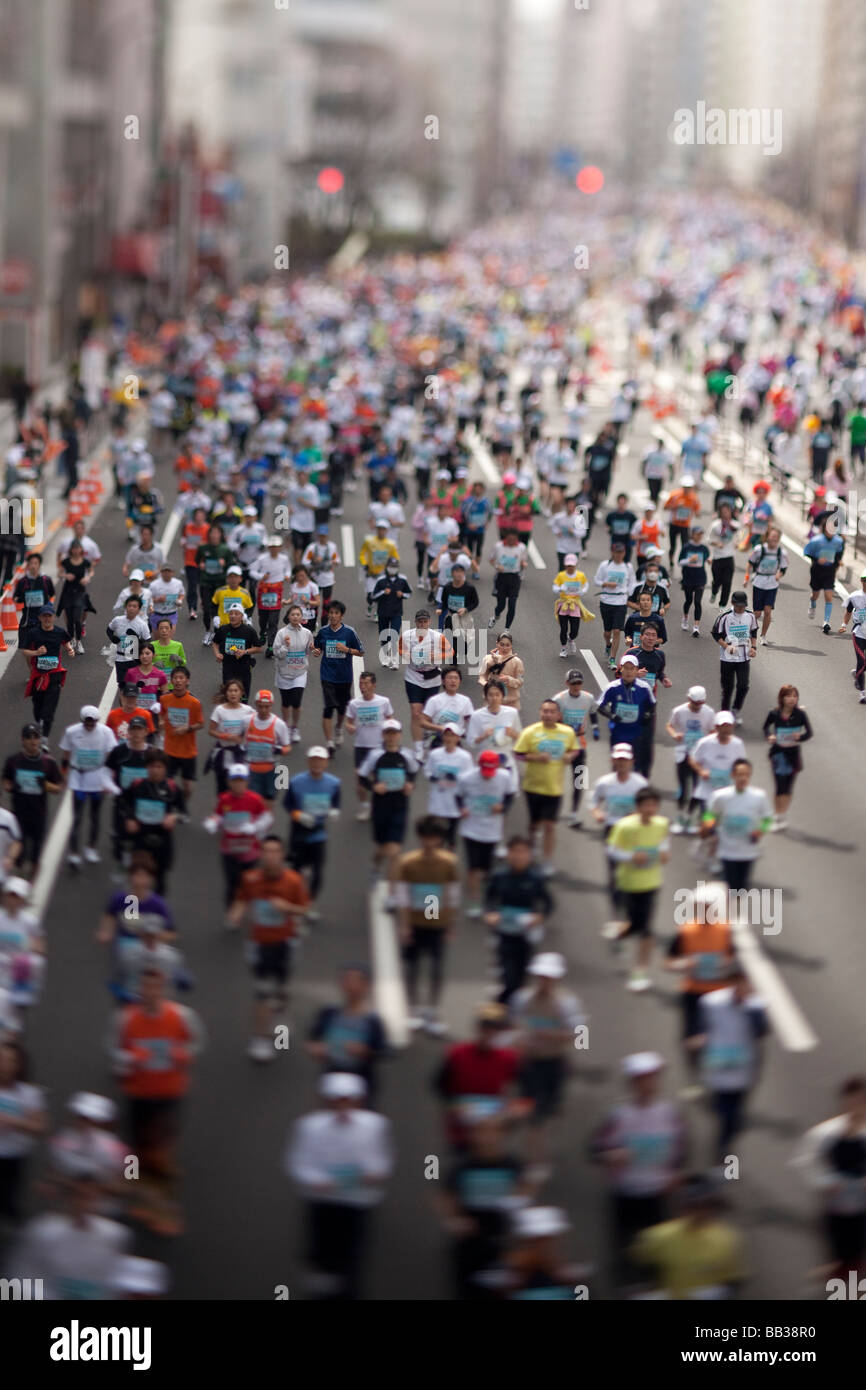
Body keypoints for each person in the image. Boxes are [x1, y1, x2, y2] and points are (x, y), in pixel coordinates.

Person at [107, 962, 205, 1236]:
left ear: (163, 989)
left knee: (161, 1152)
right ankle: (143, 1198)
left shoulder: (182, 1016)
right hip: (138, 1092)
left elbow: (197, 1041)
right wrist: (129, 1059)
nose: (150, 991)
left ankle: (167, 1211)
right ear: (139, 988)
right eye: (145, 986)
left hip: (168, 1093)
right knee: (137, 1149)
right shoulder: (126, 1018)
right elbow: (113, 1050)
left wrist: (185, 1054)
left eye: (155, 986)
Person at [285, 1072, 393, 1300]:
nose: (343, 1105)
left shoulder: (375, 1126)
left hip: (358, 1200)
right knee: (322, 1251)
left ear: (358, 1100)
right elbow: (298, 1163)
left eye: (348, 1099)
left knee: (353, 1253)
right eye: (337, 1100)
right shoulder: (309, 1127)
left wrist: (374, 1173)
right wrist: (317, 1181)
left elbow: (382, 1160)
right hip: (323, 1201)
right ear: (327, 1100)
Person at [590, 1052, 686, 1289]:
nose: (649, 1085)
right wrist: (610, 1156)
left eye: (653, 1079)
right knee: (625, 1252)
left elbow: (681, 1149)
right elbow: (593, 1149)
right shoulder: (619, 1117)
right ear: (632, 1084)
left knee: (659, 1254)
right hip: (626, 1195)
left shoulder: (670, 1114)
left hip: (658, 1195)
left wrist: (675, 1175)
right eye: (642, 1080)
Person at [227, 835, 310, 1061]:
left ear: (282, 856)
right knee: (262, 991)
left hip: (286, 943)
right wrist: (236, 913)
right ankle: (261, 1039)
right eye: (266, 851)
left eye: (275, 851)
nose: (270, 856)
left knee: (281, 990)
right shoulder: (250, 878)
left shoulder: (293, 881)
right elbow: (242, 899)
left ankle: (280, 1024)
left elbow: (305, 910)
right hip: (259, 944)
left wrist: (287, 907)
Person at [437, 1111, 533, 1300]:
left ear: (502, 1135)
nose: (488, 1137)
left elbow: (526, 1188)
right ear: (473, 1136)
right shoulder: (463, 1166)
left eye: (493, 1132)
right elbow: (446, 1194)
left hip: (502, 1240)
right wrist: (454, 1219)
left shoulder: (512, 1164)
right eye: (481, 1132)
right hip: (470, 1244)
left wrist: (519, 1206)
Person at [6, 1173, 131, 1298]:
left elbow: (116, 1279)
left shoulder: (116, 1234)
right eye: (79, 1196)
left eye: (91, 1197)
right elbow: (22, 1275)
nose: (83, 1203)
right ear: (67, 1197)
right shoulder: (39, 1230)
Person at [690, 965, 768, 1165]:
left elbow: (762, 1032)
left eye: (745, 983)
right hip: (718, 1069)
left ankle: (725, 1145)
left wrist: (749, 1008)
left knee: (735, 1119)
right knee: (726, 1114)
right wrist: (699, 1039)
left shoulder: (755, 1006)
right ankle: (722, 1154)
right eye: (737, 983)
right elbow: (700, 1027)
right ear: (731, 983)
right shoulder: (711, 1002)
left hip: (743, 1072)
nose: (742, 987)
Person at [665, 881, 736, 1098]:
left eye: (707, 906)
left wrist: (726, 964)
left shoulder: (724, 931)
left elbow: (734, 959)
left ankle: (718, 1079)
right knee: (692, 1042)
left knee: (717, 1040)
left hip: (719, 994)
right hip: (693, 994)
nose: (703, 910)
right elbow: (667, 961)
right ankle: (696, 1081)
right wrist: (683, 965)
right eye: (699, 906)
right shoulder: (686, 931)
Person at [792, 1077, 866, 1281]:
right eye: (851, 1101)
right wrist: (825, 1182)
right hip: (837, 1205)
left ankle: (849, 1279)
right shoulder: (827, 1133)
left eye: (861, 1102)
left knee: (856, 1251)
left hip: (862, 1205)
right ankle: (841, 1273)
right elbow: (804, 1160)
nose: (856, 1107)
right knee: (838, 1245)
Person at [394, 815, 460, 1034]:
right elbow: (403, 894)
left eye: (434, 838)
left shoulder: (449, 863)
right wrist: (404, 925)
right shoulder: (408, 863)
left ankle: (432, 1011)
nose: (430, 843)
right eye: (426, 837)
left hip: (437, 923)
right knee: (412, 967)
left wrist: (450, 923)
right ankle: (413, 1009)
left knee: (436, 968)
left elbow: (452, 893)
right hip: (414, 922)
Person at [631, 1174, 746, 1299]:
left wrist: (719, 1292)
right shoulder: (657, 1236)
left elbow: (733, 1280)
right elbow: (637, 1270)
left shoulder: (728, 1238)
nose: (700, 1212)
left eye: (706, 1206)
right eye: (694, 1206)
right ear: (683, 1207)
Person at [605, 787, 670, 992]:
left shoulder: (662, 824)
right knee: (635, 925)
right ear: (638, 807)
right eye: (646, 805)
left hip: (651, 882)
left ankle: (640, 971)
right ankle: (619, 934)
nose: (650, 809)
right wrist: (631, 857)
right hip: (628, 882)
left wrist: (664, 854)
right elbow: (612, 850)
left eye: (653, 805)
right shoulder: (624, 826)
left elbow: (663, 843)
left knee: (646, 929)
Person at [433, 1004, 522, 1150]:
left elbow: (522, 1089)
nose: (488, 1033)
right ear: (478, 1028)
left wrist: (512, 1111)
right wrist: (453, 1107)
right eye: (485, 1028)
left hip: (493, 1127)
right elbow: (440, 1085)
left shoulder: (509, 1058)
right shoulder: (456, 1054)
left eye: (494, 1029)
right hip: (461, 1125)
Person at [484, 835, 553, 1004]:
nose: (518, 856)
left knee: (521, 976)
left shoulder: (536, 878)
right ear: (508, 854)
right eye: (514, 852)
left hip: (525, 933)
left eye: (523, 852)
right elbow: (489, 899)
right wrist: (490, 914)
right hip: (503, 931)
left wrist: (539, 917)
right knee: (508, 974)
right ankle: (504, 1004)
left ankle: (510, 1005)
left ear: (530, 855)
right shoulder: (499, 876)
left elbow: (549, 904)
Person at [513, 700, 579, 875]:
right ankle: (532, 849)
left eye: (552, 712)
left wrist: (569, 757)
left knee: (550, 825)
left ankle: (547, 860)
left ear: (558, 715)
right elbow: (518, 754)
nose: (548, 714)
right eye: (545, 711)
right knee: (534, 825)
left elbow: (575, 750)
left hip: (554, 788)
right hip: (532, 786)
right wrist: (535, 758)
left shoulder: (567, 732)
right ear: (540, 713)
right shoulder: (530, 732)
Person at [306, 965, 388, 1100]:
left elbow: (384, 1050)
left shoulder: (372, 1020)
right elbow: (314, 1036)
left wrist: (365, 1051)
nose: (351, 986)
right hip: (332, 1072)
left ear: (366, 986)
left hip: (361, 1077)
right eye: (347, 981)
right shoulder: (328, 1013)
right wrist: (315, 1048)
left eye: (356, 981)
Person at [204, 763, 272, 909]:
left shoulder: (255, 799)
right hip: (229, 849)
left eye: (241, 781)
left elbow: (267, 818)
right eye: (235, 781)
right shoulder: (224, 799)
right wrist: (213, 822)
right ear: (229, 782)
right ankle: (231, 911)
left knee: (249, 881)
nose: (238, 784)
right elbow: (218, 815)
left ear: (247, 782)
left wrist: (254, 827)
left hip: (250, 850)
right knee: (232, 882)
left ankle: (248, 906)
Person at [118, 749, 186, 895]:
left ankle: (155, 912)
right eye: (152, 766)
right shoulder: (137, 786)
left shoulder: (172, 789)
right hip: (139, 839)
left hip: (162, 841)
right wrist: (129, 819)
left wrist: (174, 817)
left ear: (165, 769)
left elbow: (184, 813)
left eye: (159, 767)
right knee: (136, 879)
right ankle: (132, 914)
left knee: (159, 879)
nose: (155, 770)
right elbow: (122, 804)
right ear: (146, 767)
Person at [359, 719, 418, 886]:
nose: (392, 737)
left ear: (400, 735)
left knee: (394, 851)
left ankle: (392, 893)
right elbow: (362, 776)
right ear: (383, 735)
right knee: (381, 849)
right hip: (380, 804)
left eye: (395, 733)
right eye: (388, 733)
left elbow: (413, 772)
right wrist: (374, 787)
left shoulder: (407, 755)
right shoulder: (375, 755)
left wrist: (410, 784)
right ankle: (375, 868)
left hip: (400, 804)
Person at [58, 706, 117, 869]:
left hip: (97, 778)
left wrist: (109, 776)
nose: (90, 725)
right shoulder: (72, 732)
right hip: (79, 778)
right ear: (82, 720)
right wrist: (63, 776)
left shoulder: (106, 733)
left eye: (93, 722)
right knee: (77, 817)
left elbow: (112, 755)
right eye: (87, 722)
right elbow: (66, 756)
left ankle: (91, 847)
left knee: (95, 816)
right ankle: (74, 853)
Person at [284, 746, 341, 915]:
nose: (317, 763)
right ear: (308, 762)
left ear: (326, 763)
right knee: (296, 870)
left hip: (318, 833)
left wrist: (334, 811)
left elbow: (336, 802)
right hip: (299, 831)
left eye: (321, 760)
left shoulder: (334, 783)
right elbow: (288, 804)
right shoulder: (296, 782)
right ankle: (294, 900)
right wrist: (298, 815)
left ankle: (309, 902)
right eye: (314, 760)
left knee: (318, 871)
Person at [702, 758, 772, 893]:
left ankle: (735, 908)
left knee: (741, 888)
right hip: (726, 850)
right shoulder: (720, 796)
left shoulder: (759, 796)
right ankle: (729, 910)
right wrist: (709, 825)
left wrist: (760, 831)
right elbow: (709, 814)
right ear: (732, 775)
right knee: (729, 887)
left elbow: (767, 818)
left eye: (746, 775)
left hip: (748, 851)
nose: (743, 778)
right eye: (740, 774)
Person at [2, 724, 63, 872]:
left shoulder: (48, 763)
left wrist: (46, 785)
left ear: (40, 739)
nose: (33, 741)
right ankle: (16, 878)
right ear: (23, 740)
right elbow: (5, 782)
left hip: (38, 814)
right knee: (19, 851)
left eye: (36, 737)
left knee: (36, 852)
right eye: (29, 737)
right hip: (18, 814)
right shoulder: (13, 761)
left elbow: (59, 787)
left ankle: (33, 882)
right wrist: (12, 786)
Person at [0, 1039, 47, 1224]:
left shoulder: (29, 1094)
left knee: (8, 1198)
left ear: (18, 1065)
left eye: (9, 1060)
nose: (3, 1065)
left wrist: (13, 1121)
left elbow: (39, 1127)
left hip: (13, 1156)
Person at [312, 600, 365, 755]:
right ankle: (329, 742)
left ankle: (338, 728)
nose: (333, 616)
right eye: (331, 613)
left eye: (336, 613)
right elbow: (317, 648)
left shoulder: (349, 632)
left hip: (344, 676)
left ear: (341, 616)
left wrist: (346, 649)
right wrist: (316, 652)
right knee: (329, 707)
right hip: (327, 675)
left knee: (342, 708)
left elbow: (361, 652)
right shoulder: (323, 631)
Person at [666, 686, 716, 834]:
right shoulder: (679, 711)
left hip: (700, 757)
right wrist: (675, 734)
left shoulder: (709, 713)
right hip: (683, 753)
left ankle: (690, 817)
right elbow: (669, 725)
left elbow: (713, 731)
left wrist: (707, 740)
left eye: (700, 704)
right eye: (695, 704)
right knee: (683, 789)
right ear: (689, 700)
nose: (697, 707)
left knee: (698, 790)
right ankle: (681, 815)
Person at [762, 684, 813, 829]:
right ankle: (776, 814)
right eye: (788, 696)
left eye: (794, 696)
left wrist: (800, 737)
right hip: (778, 754)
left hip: (793, 755)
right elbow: (765, 727)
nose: (792, 699)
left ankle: (782, 815)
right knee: (779, 786)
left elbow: (809, 733)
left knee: (788, 787)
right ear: (782, 698)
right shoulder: (774, 714)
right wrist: (769, 736)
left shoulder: (800, 715)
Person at [596, 654, 656, 774]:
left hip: (636, 733)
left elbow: (652, 704)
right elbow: (600, 706)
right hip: (618, 732)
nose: (628, 672)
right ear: (621, 669)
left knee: (635, 764)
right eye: (626, 668)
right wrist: (611, 716)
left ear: (636, 670)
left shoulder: (644, 687)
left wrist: (647, 715)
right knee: (618, 763)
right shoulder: (612, 687)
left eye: (632, 668)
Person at [158, 666, 204, 800]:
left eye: (181, 678)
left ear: (187, 681)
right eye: (175, 678)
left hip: (188, 751)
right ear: (171, 681)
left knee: (187, 785)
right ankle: (168, 806)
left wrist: (187, 728)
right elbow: (161, 715)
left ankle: (182, 805)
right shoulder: (165, 699)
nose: (178, 681)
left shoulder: (194, 703)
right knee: (166, 782)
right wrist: (161, 722)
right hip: (169, 749)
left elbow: (201, 724)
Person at [712, 591, 758, 724]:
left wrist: (754, 648)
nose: (741, 608)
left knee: (743, 685)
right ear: (732, 603)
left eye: (743, 606)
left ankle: (736, 709)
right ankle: (724, 715)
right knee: (727, 687)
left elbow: (754, 631)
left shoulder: (750, 615)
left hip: (743, 657)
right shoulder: (724, 616)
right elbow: (716, 634)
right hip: (727, 657)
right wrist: (726, 646)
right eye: (738, 606)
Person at [594, 540, 637, 668]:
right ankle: (608, 644)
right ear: (612, 552)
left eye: (621, 552)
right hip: (606, 601)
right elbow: (597, 580)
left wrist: (626, 593)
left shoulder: (628, 567)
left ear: (624, 553)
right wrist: (606, 584)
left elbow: (632, 583)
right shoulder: (605, 565)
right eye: (616, 552)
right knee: (608, 632)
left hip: (620, 602)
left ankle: (612, 659)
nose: (619, 554)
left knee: (617, 631)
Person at [743, 524, 788, 645]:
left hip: (772, 584)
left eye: (776, 538)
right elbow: (750, 563)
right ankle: (746, 630)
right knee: (757, 613)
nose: (774, 539)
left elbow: (783, 568)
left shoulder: (781, 552)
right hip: (759, 582)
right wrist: (746, 577)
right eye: (772, 537)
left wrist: (779, 575)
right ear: (767, 537)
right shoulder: (759, 549)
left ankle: (763, 636)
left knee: (768, 611)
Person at [244, 689, 290, 801]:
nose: (263, 710)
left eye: (267, 706)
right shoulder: (246, 721)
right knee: (253, 801)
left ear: (271, 705)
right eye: (260, 706)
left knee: (269, 802)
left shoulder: (279, 725)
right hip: (251, 768)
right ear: (256, 705)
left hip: (271, 769)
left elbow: (287, 747)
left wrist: (280, 750)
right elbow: (238, 738)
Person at [804, 514, 845, 634]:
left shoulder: (838, 541)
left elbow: (839, 552)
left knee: (828, 596)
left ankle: (826, 622)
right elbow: (806, 551)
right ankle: (812, 604)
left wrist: (838, 560)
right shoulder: (816, 540)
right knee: (815, 595)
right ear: (824, 528)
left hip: (829, 571)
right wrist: (817, 559)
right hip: (817, 570)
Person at [195, 521, 235, 642]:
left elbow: (231, 565)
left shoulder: (225, 549)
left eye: (217, 533)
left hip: (220, 583)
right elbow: (197, 560)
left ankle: (219, 633)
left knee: (219, 610)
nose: (214, 535)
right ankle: (208, 631)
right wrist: (201, 564)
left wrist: (225, 564)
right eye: (212, 533)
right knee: (206, 609)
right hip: (206, 582)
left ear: (221, 535)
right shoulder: (203, 548)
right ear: (209, 535)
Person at [371, 557, 412, 668]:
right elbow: (373, 596)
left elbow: (409, 593)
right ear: (387, 567)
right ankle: (386, 657)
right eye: (391, 567)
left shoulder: (402, 580)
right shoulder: (381, 580)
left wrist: (402, 595)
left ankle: (394, 660)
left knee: (394, 634)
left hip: (396, 613)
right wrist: (383, 592)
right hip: (383, 613)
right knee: (383, 635)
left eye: (395, 567)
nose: (392, 569)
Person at [13, 552, 55, 660]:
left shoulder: (46, 580)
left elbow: (52, 594)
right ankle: (32, 673)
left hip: (43, 620)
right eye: (31, 563)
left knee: (43, 648)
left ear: (39, 564)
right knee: (26, 649)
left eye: (36, 563)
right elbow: (15, 598)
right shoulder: (23, 581)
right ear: (28, 565)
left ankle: (40, 673)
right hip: (27, 619)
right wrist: (24, 598)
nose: (33, 566)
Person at [55, 538, 95, 653]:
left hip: (80, 592)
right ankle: (71, 638)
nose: (76, 551)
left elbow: (91, 570)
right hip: (68, 592)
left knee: (77, 618)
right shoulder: (66, 562)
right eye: (74, 549)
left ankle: (78, 641)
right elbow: (59, 573)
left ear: (81, 549)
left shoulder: (85, 562)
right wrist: (65, 575)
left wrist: (87, 578)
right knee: (69, 617)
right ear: (71, 550)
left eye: (78, 548)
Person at [488, 528, 528, 629]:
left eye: (514, 539)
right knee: (501, 605)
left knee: (512, 603)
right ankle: (495, 617)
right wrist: (497, 566)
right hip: (501, 577)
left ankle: (507, 629)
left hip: (515, 577)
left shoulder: (521, 547)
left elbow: (523, 560)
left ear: (517, 539)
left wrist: (524, 564)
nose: (511, 541)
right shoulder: (498, 546)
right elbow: (491, 559)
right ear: (506, 538)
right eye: (509, 539)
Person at [551, 554, 589, 658]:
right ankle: (563, 648)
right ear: (565, 565)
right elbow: (554, 587)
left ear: (576, 564)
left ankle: (571, 639)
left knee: (575, 630)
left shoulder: (580, 575)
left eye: (572, 565)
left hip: (575, 605)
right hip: (563, 605)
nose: (570, 567)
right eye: (568, 565)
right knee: (563, 629)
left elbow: (586, 585)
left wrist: (583, 591)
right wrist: (560, 588)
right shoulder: (561, 575)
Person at [477, 630, 524, 712]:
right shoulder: (488, 659)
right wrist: (488, 685)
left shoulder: (517, 662)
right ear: (497, 643)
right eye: (502, 644)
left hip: (510, 703)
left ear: (511, 646)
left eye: (507, 645)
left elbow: (520, 681)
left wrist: (509, 679)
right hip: (491, 702)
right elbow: (482, 676)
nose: (504, 648)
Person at [678, 524, 710, 637]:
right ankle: (685, 617)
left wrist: (709, 560)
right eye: (697, 534)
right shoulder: (687, 547)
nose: (699, 536)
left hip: (700, 578)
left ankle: (696, 627)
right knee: (688, 601)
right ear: (692, 535)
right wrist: (689, 560)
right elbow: (680, 562)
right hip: (688, 578)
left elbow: (706, 558)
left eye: (701, 534)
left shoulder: (704, 548)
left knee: (697, 601)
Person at [840, 570, 866, 703]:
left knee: (862, 664)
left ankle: (857, 672)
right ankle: (862, 692)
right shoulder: (855, 596)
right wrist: (844, 625)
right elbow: (848, 612)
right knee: (862, 661)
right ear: (861, 581)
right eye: (865, 580)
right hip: (859, 634)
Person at [707, 504, 739, 608]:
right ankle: (714, 591)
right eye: (723, 511)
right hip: (717, 557)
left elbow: (740, 537)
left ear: (731, 512)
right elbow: (708, 539)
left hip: (729, 557)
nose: (725, 513)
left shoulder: (735, 525)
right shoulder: (716, 525)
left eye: (727, 511)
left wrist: (738, 543)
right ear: (720, 513)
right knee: (717, 581)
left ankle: (722, 605)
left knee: (727, 582)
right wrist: (716, 544)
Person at [125, 642, 169, 717]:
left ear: (154, 655)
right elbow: (124, 693)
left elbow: (165, 695)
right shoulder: (131, 673)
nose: (144, 656)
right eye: (141, 654)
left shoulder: (160, 674)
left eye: (147, 653)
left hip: (153, 714)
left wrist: (160, 707)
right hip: (135, 713)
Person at [664, 475, 700, 563]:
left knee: (685, 545)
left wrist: (696, 512)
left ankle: (684, 561)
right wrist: (676, 506)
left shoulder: (694, 498)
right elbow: (665, 507)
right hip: (674, 524)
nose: (687, 490)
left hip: (685, 525)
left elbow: (697, 510)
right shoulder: (674, 495)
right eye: (685, 487)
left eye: (689, 488)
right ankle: (671, 560)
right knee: (673, 545)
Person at [148, 561, 185, 633]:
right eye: (165, 572)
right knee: (157, 639)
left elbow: (182, 593)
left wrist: (180, 600)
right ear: (161, 572)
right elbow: (148, 599)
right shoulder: (154, 585)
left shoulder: (178, 583)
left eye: (169, 572)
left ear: (173, 573)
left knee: (169, 638)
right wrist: (157, 600)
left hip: (171, 614)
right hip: (157, 614)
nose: (167, 574)